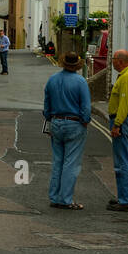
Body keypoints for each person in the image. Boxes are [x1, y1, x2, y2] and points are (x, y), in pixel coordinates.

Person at [43, 51, 92, 209]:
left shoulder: (52, 80)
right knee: (71, 163)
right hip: (74, 123)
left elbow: (46, 106)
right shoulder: (80, 81)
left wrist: (50, 119)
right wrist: (85, 121)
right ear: (77, 65)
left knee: (58, 161)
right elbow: (86, 107)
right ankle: (66, 199)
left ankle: (55, 197)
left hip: (56, 122)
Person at [107, 48, 128, 211]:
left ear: (120, 61)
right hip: (127, 121)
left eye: (113, 58)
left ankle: (126, 200)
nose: (112, 61)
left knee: (122, 163)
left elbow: (124, 103)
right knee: (125, 161)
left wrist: (117, 125)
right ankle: (126, 197)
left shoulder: (127, 77)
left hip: (123, 121)